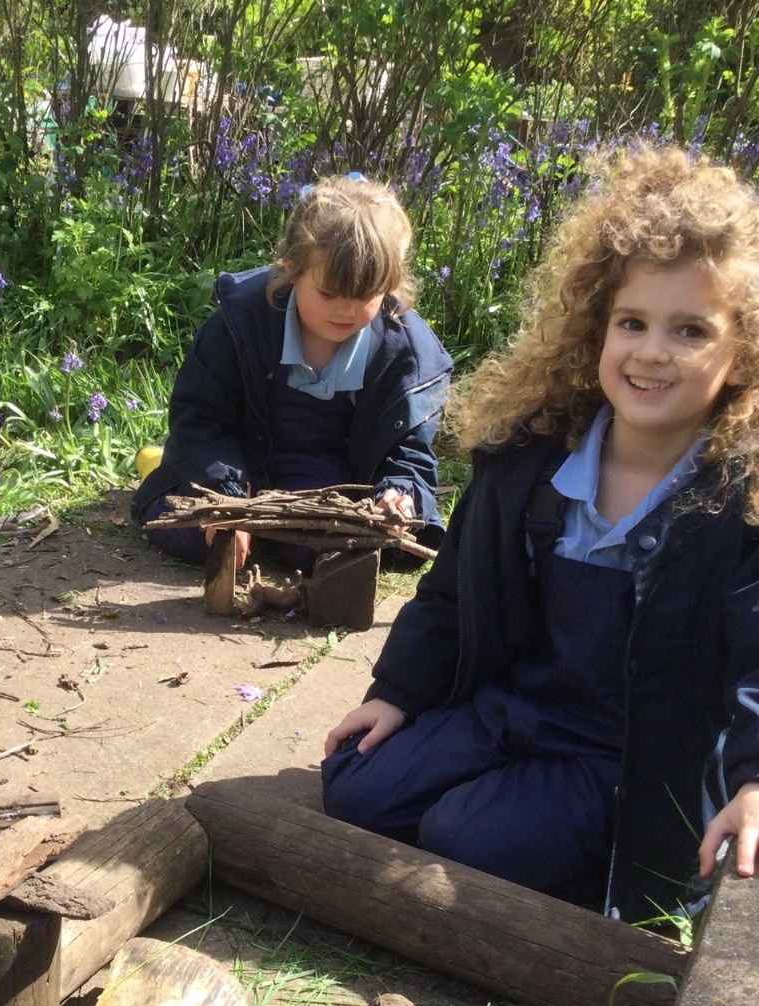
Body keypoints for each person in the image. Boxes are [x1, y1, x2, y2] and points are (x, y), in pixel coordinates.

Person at [321, 145, 759, 924]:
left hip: (620, 754)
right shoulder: (529, 460)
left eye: (691, 331)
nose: (652, 352)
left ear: (742, 353)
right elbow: (451, 592)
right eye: (633, 323)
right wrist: (399, 692)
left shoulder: (737, 504)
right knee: (355, 786)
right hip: (513, 709)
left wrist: (753, 782)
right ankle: (504, 806)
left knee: (465, 838)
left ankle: (599, 856)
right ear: (597, 329)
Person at [132, 173, 452, 574]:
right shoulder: (239, 323)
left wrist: (399, 493)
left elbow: (409, 452)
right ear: (291, 267)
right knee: (190, 535)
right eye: (328, 293)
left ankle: (278, 533)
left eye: (365, 296)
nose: (346, 310)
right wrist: (225, 498)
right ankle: (158, 464)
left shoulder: (409, 356)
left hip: (325, 476)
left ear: (390, 286)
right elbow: (200, 417)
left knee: (323, 548)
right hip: (236, 456)